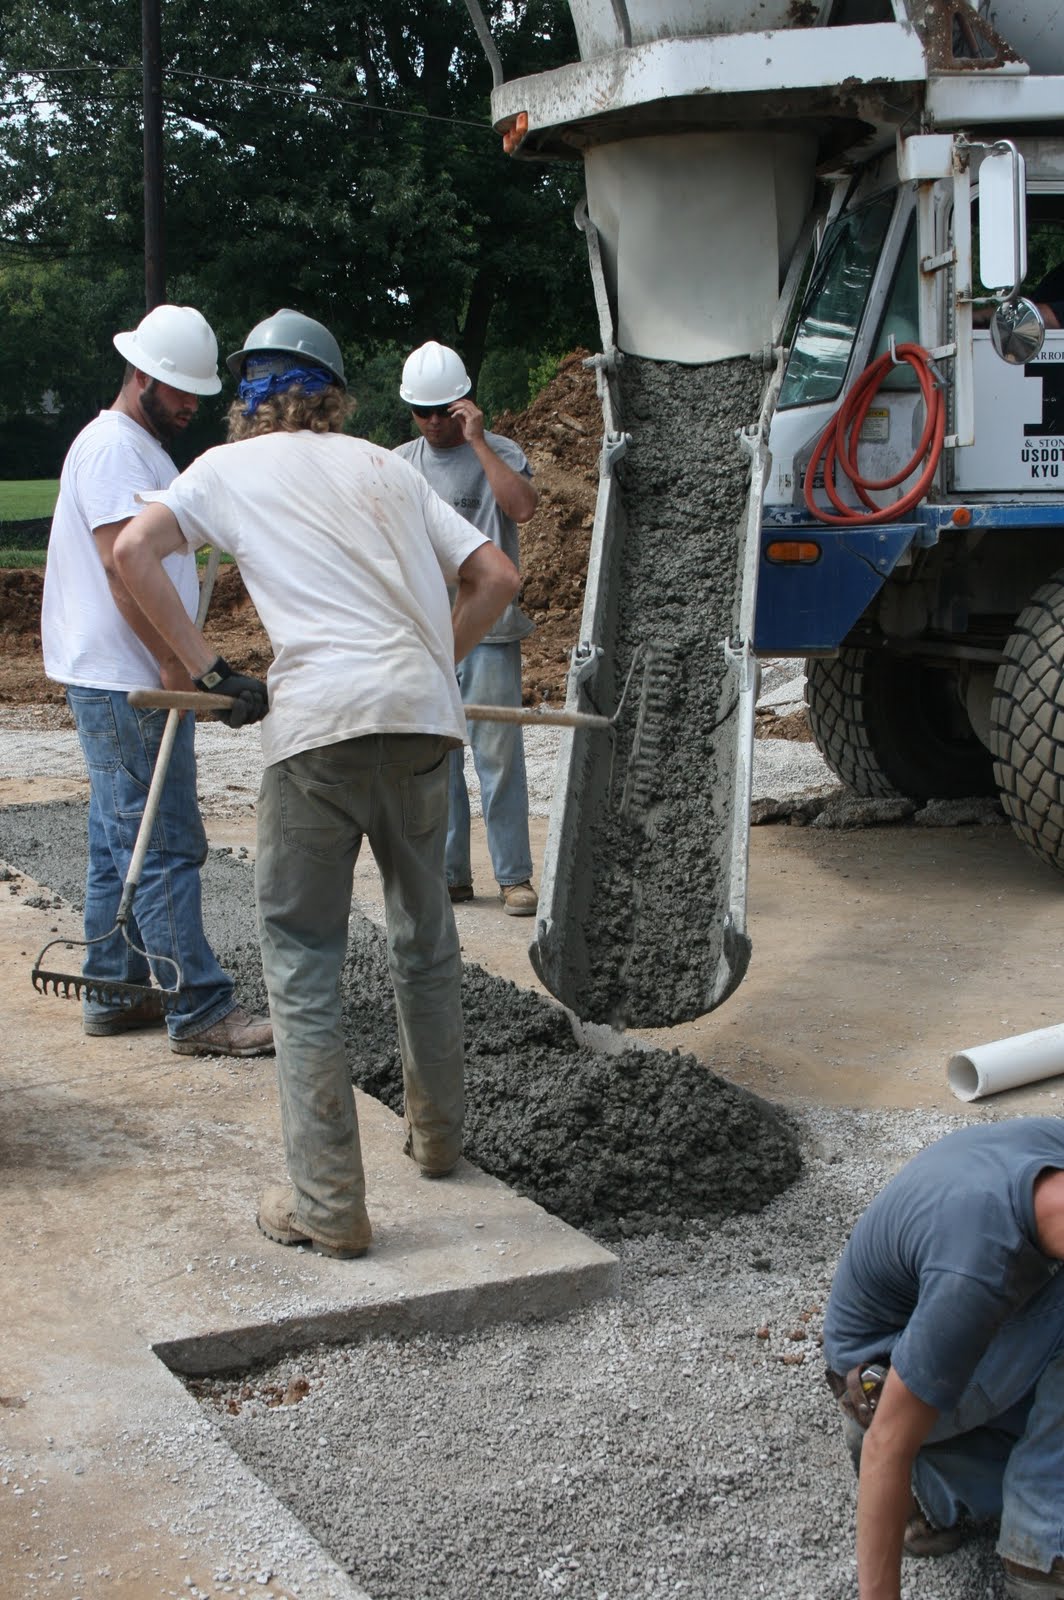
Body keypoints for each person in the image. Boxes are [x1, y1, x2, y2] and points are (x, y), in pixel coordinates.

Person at [112, 308, 520, 1260]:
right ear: (335, 396)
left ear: (248, 398)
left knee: (301, 960)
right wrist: (430, 666)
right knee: (426, 935)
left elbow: (132, 555)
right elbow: (495, 576)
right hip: (422, 727)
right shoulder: (387, 465)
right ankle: (438, 1139)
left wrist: (210, 672)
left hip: (317, 735)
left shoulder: (221, 470)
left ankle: (330, 1205)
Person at [40, 304, 274, 1058]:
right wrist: (191, 665)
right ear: (139, 373)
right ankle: (199, 1009)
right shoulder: (114, 448)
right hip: (126, 680)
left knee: (120, 841)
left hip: (116, 673)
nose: (189, 404)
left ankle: (117, 988)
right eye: (176, 388)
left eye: (195, 392)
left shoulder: (138, 446)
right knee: (166, 842)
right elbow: (122, 569)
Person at [822, 1116, 1064, 1600]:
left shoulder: (1051, 1151)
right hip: (880, 1375)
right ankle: (1042, 1547)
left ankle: (933, 1487)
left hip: (918, 1347)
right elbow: (886, 1445)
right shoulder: (978, 1271)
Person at [394, 340, 540, 916]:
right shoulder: (400, 462)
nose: (432, 422)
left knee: (498, 755)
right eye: (421, 412)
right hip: (427, 629)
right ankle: (450, 874)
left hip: (491, 631)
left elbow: (523, 508)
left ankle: (513, 877)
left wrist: (478, 441)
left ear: (464, 404)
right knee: (436, 754)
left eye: (443, 410)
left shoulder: (499, 451)